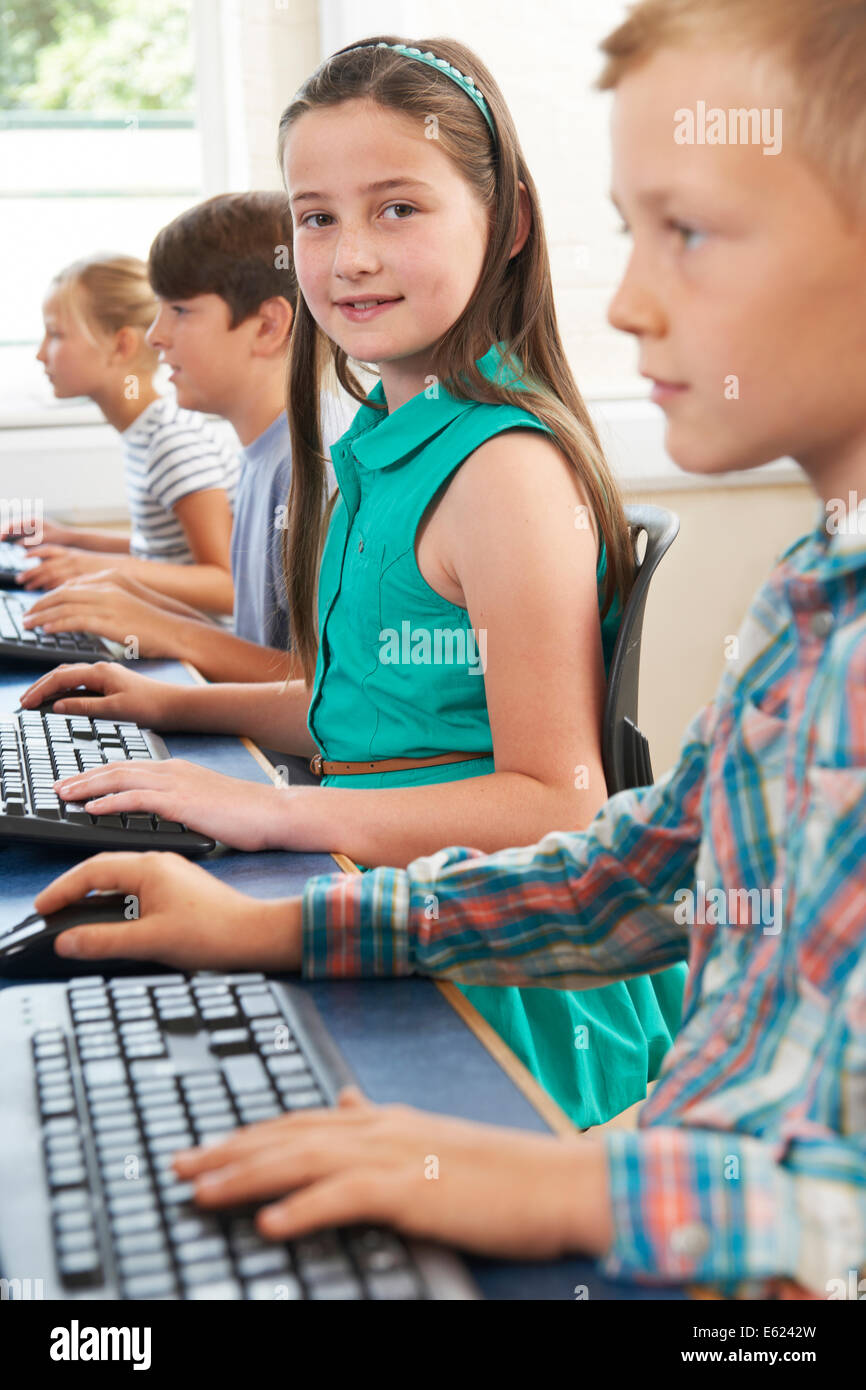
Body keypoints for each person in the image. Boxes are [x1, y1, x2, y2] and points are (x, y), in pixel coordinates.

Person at [35, 0, 866, 1296]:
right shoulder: (807, 599)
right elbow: (630, 878)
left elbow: (836, 1199)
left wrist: (553, 1178)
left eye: (688, 230)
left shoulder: (505, 470)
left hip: (682, 1195)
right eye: (632, 230)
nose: (632, 300)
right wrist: (280, 924)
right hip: (665, 1157)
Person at [21, 35, 687, 1128]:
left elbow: (554, 805)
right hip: (384, 878)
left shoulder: (500, 471)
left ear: (506, 223)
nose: (350, 256)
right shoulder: (387, 432)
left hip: (497, 972)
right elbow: (364, 704)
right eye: (316, 216)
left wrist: (263, 811)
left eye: (397, 209)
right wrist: (170, 702)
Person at [20, 195, 353, 682]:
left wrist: (166, 651)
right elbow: (258, 646)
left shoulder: (311, 463)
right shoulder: (262, 449)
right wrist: (132, 600)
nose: (155, 335)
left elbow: (323, 690)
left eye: (178, 310)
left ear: (267, 326)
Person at [5, 253, 239, 615]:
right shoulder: (143, 431)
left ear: (122, 345)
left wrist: (97, 567)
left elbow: (227, 585)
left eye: (55, 334)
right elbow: (161, 554)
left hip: (201, 660)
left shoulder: (172, 442)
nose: (39, 354)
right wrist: (74, 541)